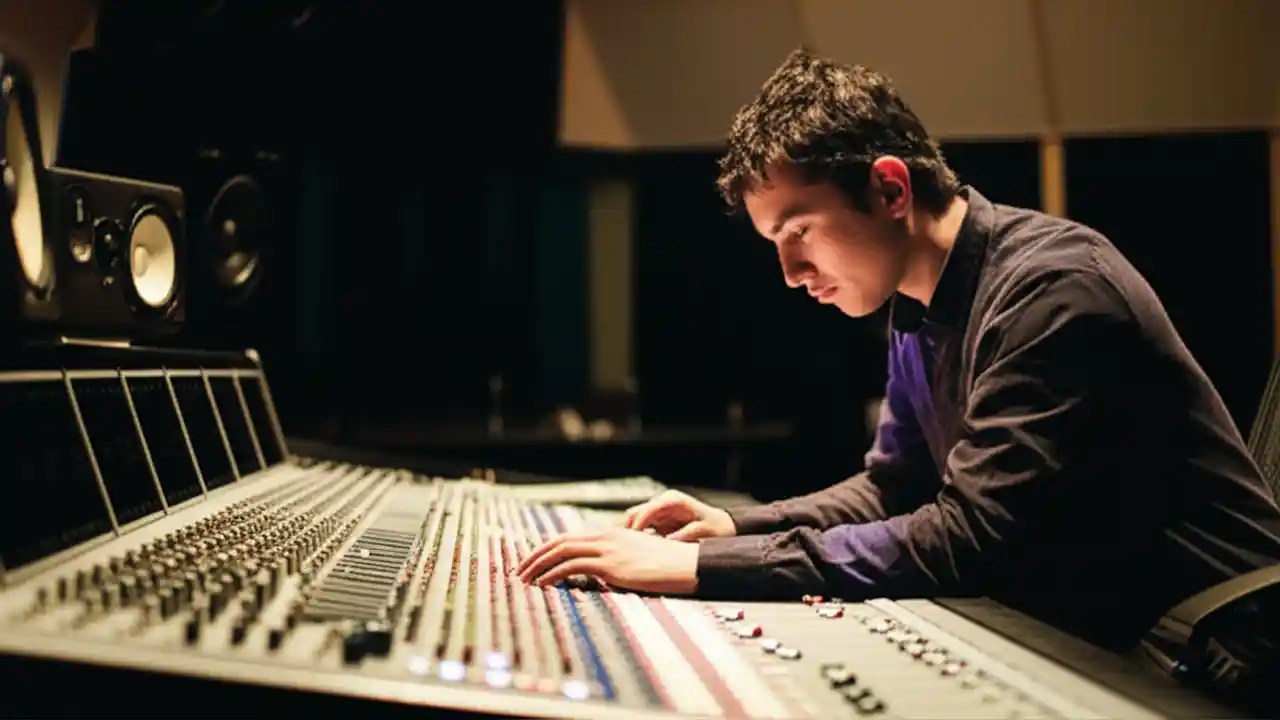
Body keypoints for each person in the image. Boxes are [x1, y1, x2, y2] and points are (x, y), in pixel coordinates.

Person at [516, 48, 1280, 651]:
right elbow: (894, 486)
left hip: (1217, 651)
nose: (789, 274)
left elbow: (968, 538)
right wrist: (731, 527)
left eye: (798, 233)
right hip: (1120, 635)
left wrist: (699, 568)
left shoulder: (1053, 290)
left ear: (889, 190)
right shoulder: (917, 307)